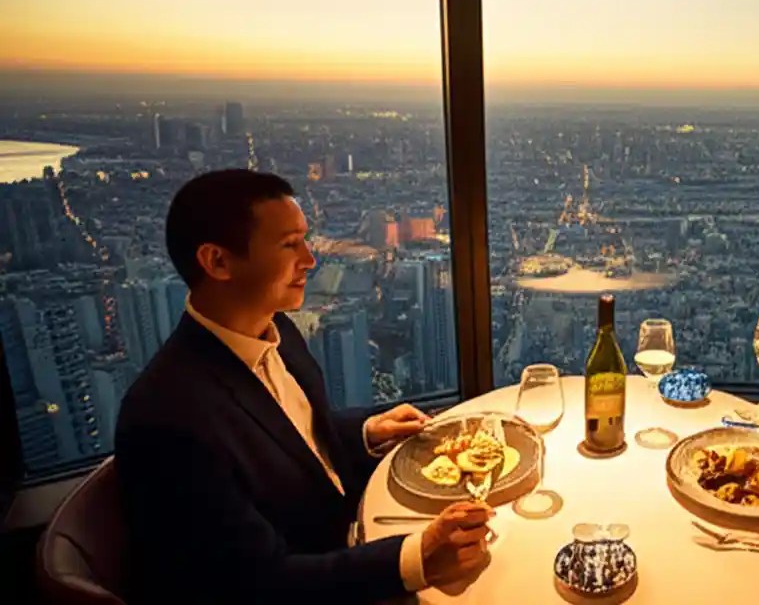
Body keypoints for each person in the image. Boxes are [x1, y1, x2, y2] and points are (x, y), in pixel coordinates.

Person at [115, 169, 492, 605]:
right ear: (217, 261)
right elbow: (258, 584)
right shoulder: (167, 421)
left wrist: (367, 432)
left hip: (348, 548)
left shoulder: (276, 332)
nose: (311, 259)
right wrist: (414, 560)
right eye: (289, 244)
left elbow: (287, 438)